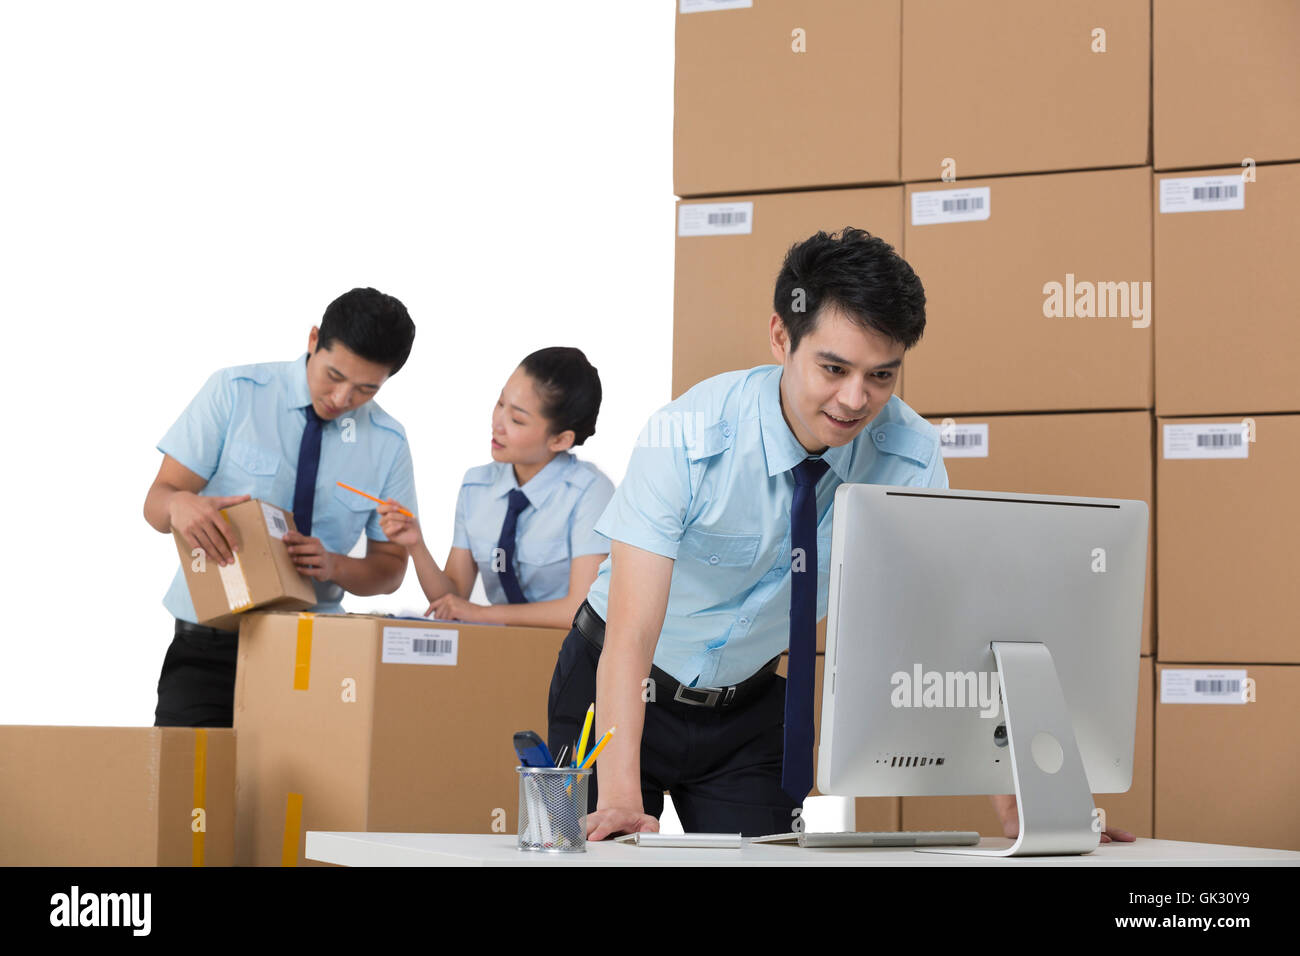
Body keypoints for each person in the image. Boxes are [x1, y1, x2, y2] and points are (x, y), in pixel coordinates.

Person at [547, 227, 1136, 844]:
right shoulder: (687, 436)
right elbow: (632, 634)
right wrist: (619, 793)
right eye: (833, 368)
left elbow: (956, 626)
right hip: (611, 686)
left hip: (748, 712)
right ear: (781, 337)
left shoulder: (909, 459)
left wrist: (1020, 790)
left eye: (882, 376)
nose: (855, 399)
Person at [143, 287, 418, 727]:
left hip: (314, 651)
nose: (343, 398)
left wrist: (334, 565)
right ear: (313, 340)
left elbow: (391, 567)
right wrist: (180, 504)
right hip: (208, 644)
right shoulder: (235, 393)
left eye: (366, 389)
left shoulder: (388, 443)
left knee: (298, 797)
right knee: (189, 791)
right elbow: (156, 503)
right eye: (334, 375)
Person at [378, 347, 614, 630]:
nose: (497, 424)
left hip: (569, 657)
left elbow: (581, 608)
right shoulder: (476, 486)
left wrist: (481, 614)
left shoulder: (590, 492)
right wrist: (416, 545)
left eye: (517, 419)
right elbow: (452, 600)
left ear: (561, 440)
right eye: (500, 404)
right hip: (499, 651)